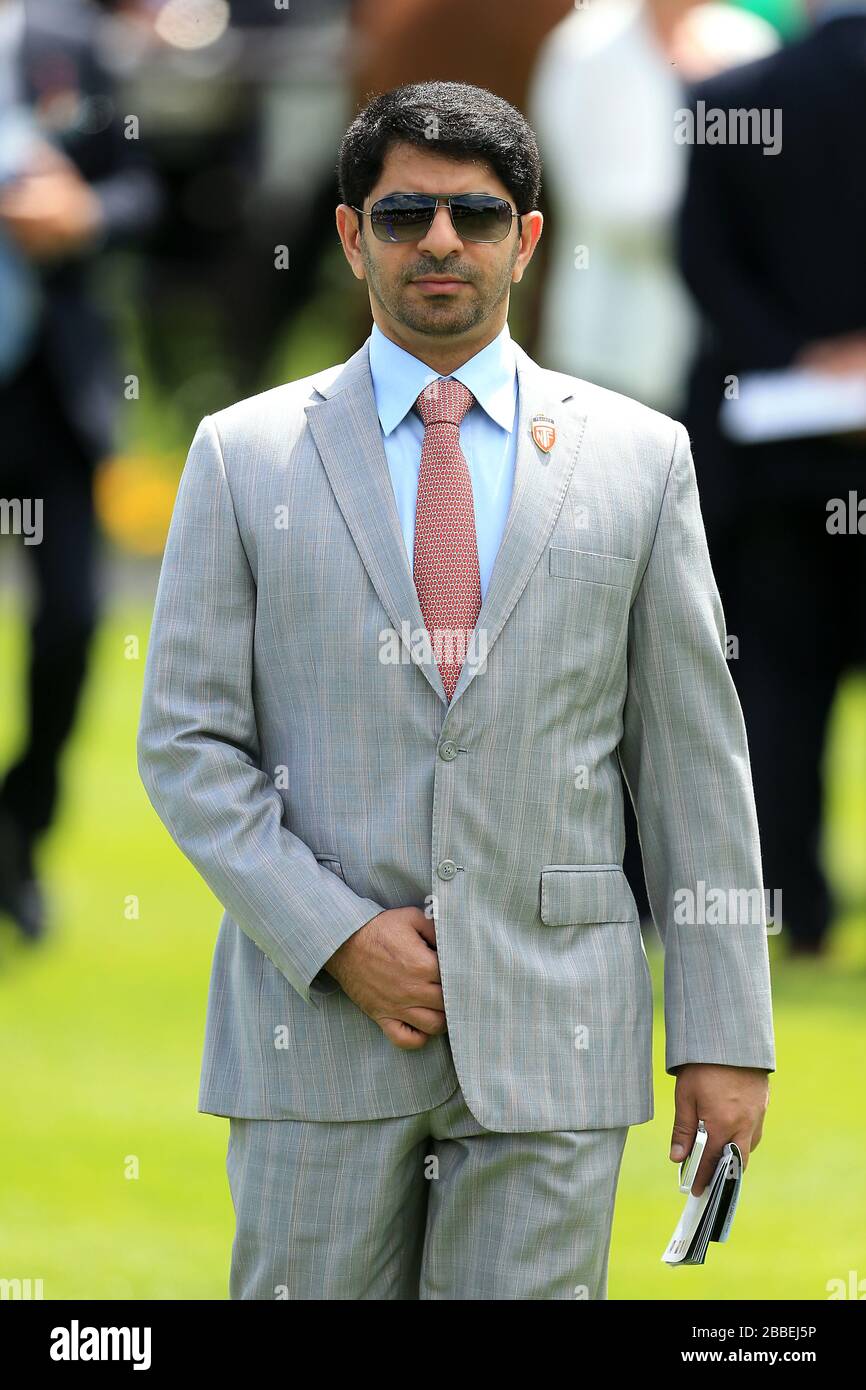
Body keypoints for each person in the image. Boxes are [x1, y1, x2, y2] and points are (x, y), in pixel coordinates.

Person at [137, 80, 774, 1301]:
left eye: (476, 217)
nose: (440, 243)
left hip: (559, 1035)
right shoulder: (243, 451)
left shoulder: (640, 458)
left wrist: (721, 1036)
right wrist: (336, 939)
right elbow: (185, 742)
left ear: (527, 240)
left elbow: (694, 766)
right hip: (315, 1037)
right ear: (347, 234)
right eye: (404, 214)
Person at [677, 0, 866, 955]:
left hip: (778, 458)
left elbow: (703, 262)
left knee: (781, 691)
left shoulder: (735, 101)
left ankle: (793, 906)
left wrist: (797, 355)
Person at [0, 0, 160, 939]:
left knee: (72, 622)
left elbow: (140, 192)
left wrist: (82, 211)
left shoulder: (70, 48)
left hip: (49, 396)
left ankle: (21, 829)